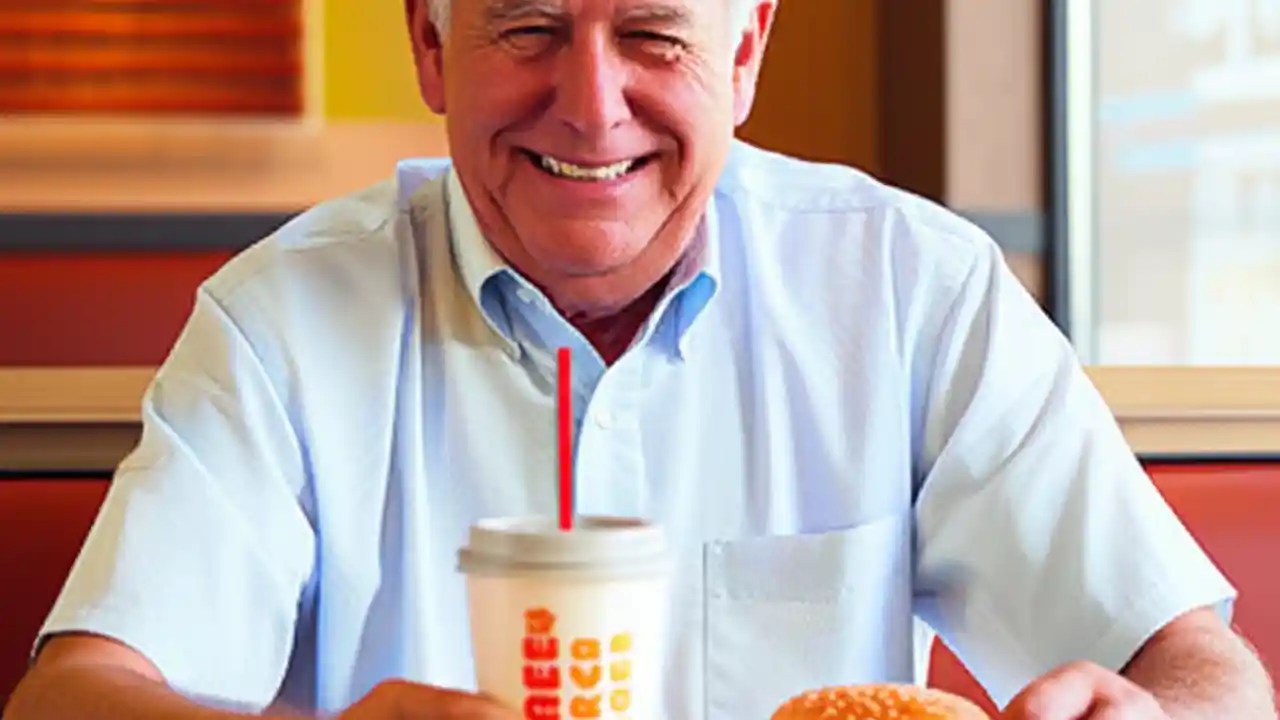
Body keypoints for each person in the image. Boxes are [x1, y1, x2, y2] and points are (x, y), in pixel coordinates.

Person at [5, 0, 1275, 718]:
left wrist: (1150, 719)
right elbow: (73, 704)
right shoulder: (282, 317)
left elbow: (1203, 671)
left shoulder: (909, 288)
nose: (591, 104)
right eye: (529, 28)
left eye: (654, 34)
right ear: (431, 44)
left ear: (747, 48)